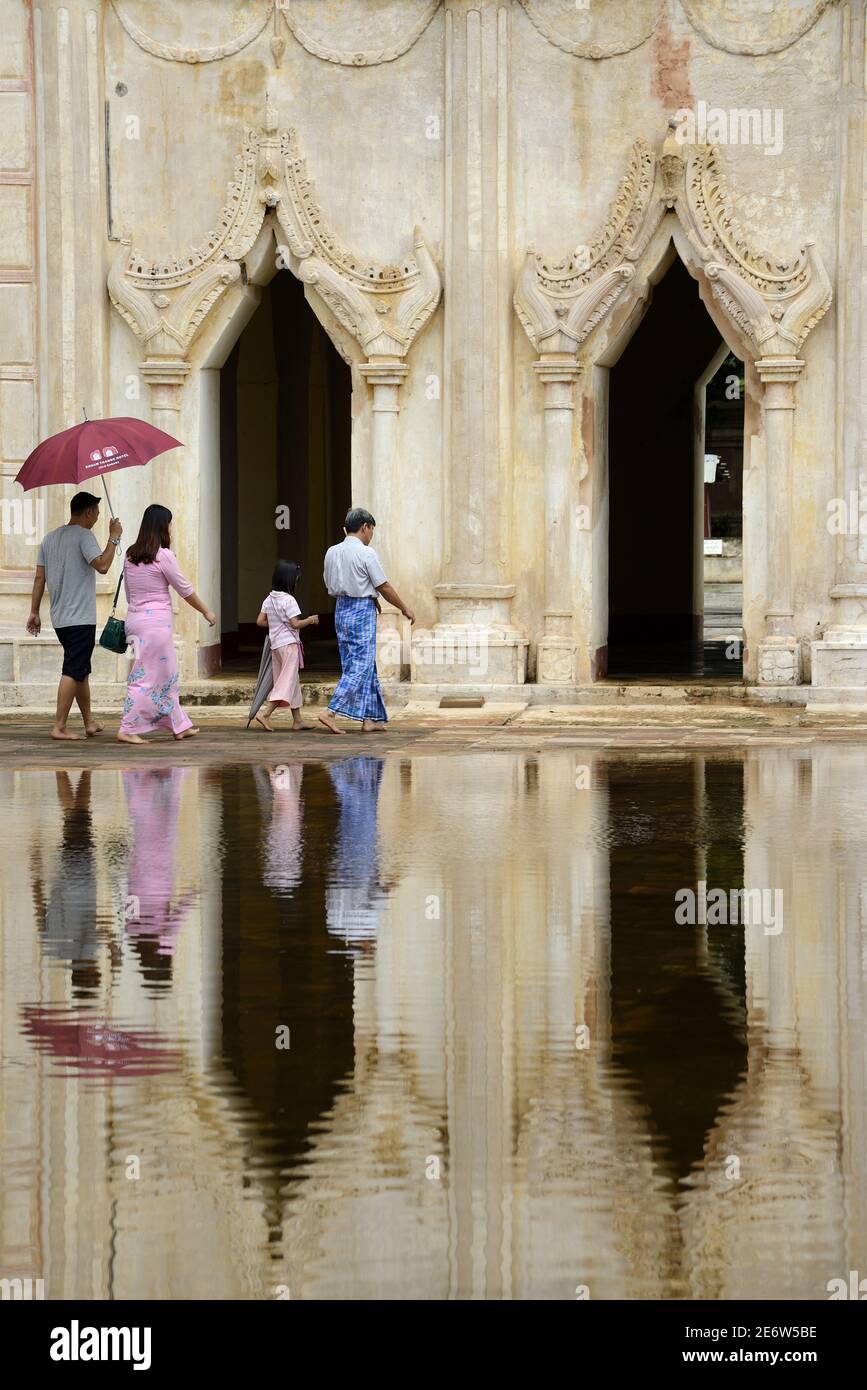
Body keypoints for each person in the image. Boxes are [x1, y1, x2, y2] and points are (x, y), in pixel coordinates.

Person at [27, 491, 123, 740]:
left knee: (81, 669)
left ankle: (89, 721)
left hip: (60, 617)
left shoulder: (49, 538)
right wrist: (113, 539)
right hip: (80, 617)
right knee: (73, 669)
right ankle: (59, 726)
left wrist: (34, 612)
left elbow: (39, 578)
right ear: (88, 512)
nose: (97, 519)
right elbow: (102, 566)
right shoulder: (84, 535)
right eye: (97, 514)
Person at [117, 504, 215, 745]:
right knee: (145, 676)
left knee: (166, 673)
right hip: (156, 626)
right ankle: (128, 728)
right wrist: (206, 611)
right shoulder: (164, 556)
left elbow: (129, 594)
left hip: (135, 622)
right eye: (168, 523)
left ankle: (179, 725)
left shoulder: (130, 555)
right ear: (162, 526)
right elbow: (184, 589)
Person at [319, 507, 415, 735]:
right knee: (360, 665)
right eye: (371, 530)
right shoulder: (366, 553)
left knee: (362, 664)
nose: (371, 535)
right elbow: (383, 585)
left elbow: (328, 582)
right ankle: (331, 711)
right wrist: (404, 608)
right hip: (360, 610)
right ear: (365, 528)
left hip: (341, 609)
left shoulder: (331, 551)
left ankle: (371, 718)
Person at [253, 560, 319, 732]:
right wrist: (311, 619)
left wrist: (275, 625)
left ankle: (298, 720)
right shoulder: (289, 600)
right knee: (286, 681)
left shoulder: (269, 598)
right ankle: (265, 714)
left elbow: (260, 621)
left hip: (276, 646)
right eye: (296, 578)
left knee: (292, 681)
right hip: (289, 645)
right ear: (289, 579)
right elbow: (295, 624)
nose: (297, 581)